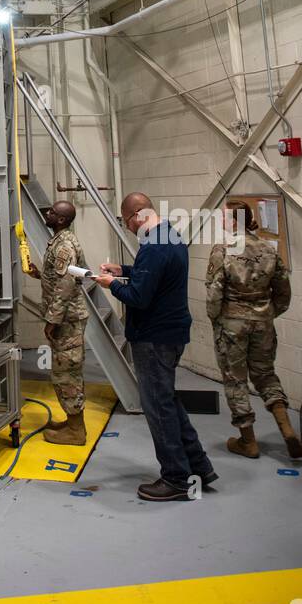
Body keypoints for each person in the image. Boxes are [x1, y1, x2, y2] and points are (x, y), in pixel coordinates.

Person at [95, 191, 217, 501]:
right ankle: (199, 468)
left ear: (137, 215)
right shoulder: (170, 237)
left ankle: (175, 479)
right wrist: (126, 271)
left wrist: (112, 286)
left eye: (127, 223)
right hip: (172, 333)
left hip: (154, 338)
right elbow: (155, 278)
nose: (129, 229)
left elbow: (139, 297)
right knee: (168, 402)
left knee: (158, 408)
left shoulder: (152, 246)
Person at [206, 199, 302, 460]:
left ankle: (248, 442)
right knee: (266, 375)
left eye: (225, 217)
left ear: (234, 220)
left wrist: (215, 319)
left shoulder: (223, 250)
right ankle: (287, 430)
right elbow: (284, 291)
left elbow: (214, 294)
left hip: (232, 325)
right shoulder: (268, 250)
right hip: (263, 323)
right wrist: (267, 314)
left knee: (235, 380)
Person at [27, 200, 88, 446]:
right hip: (67, 317)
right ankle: (72, 421)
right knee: (66, 371)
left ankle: (76, 431)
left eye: (52, 212)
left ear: (61, 220)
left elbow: (67, 285)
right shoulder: (61, 239)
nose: (48, 213)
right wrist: (40, 274)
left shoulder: (64, 245)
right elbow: (60, 276)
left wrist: (52, 319)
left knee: (67, 373)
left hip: (67, 320)